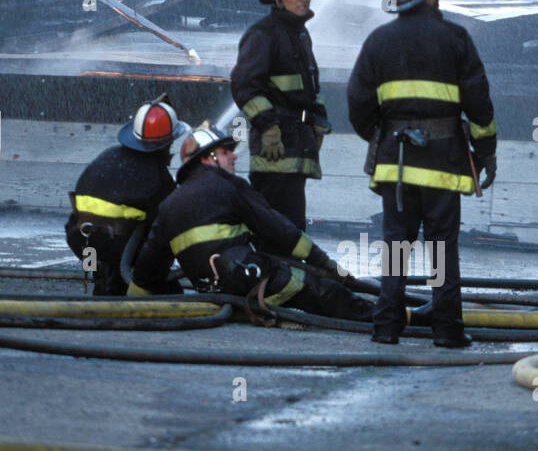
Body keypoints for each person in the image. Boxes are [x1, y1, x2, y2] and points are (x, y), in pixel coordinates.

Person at [347, 0, 497, 348]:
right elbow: (479, 105)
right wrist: (486, 152)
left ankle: (386, 327)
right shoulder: (456, 39)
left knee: (396, 245)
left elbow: (358, 105)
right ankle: (447, 330)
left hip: (394, 166)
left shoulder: (377, 42)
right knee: (442, 249)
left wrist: (380, 136)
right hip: (444, 164)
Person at [128, 122, 373, 324]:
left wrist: (129, 306)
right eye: (226, 152)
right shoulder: (230, 186)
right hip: (250, 280)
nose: (234, 155)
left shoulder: (168, 205)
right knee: (326, 292)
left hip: (214, 294)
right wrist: (325, 263)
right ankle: (395, 317)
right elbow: (279, 230)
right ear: (207, 159)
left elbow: (148, 268)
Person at [229, 0, 330, 231]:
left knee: (292, 229)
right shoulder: (263, 35)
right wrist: (268, 127)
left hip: (297, 150)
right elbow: (244, 86)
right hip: (275, 156)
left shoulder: (299, 35)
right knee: (276, 232)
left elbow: (310, 88)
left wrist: (319, 124)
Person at [65, 100, 188, 296]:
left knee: (107, 279)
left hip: (83, 242)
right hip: (120, 249)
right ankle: (124, 288)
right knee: (170, 290)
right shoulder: (158, 178)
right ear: (167, 143)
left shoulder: (108, 156)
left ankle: (105, 283)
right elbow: (166, 231)